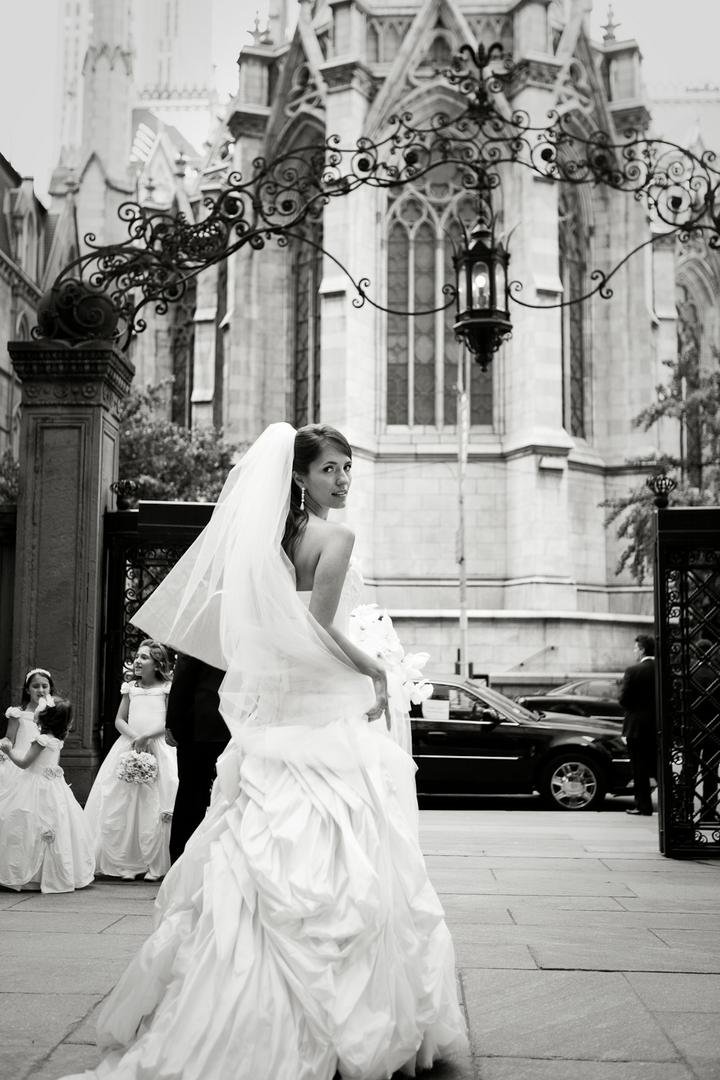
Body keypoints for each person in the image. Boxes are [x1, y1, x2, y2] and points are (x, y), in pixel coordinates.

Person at [59, 422, 466, 1080]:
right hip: (321, 715)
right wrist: (377, 671)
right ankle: (330, 1024)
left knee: (264, 850)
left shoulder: (270, 546)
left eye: (347, 468)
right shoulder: (336, 537)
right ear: (301, 477)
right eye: (332, 468)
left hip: (283, 717)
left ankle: (240, 1016)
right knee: (339, 854)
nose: (343, 480)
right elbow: (319, 625)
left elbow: (265, 635)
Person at [84, 640, 178, 880]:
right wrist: (136, 738)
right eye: (137, 656)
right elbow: (119, 720)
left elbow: (169, 721)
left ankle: (154, 862)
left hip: (157, 747)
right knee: (125, 802)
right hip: (130, 746)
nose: (137, 661)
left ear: (157, 665)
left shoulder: (166, 689)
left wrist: (148, 737)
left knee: (154, 801)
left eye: (144, 657)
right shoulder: (130, 688)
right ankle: (127, 862)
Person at [0, 696, 95, 893]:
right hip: (54, 787)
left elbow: (24, 763)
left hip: (33, 784)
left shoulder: (41, 741)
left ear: (44, 719)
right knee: (56, 822)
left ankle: (29, 872)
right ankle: (51, 872)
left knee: (22, 820)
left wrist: (9, 751)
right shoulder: (57, 740)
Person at [165, 653, 228, 862]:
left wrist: (172, 724)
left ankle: (181, 858)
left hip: (197, 728)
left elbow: (181, 681)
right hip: (231, 724)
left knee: (190, 794)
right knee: (227, 794)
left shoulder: (198, 635)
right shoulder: (243, 634)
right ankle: (220, 856)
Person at [1, 667, 56, 796]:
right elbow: (9, 738)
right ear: (27, 690)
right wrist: (4, 747)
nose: (40, 690)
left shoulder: (54, 715)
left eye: (44, 686)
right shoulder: (18, 713)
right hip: (19, 762)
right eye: (35, 686)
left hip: (41, 765)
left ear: (50, 689)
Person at [620, 632, 657, 816]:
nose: (634, 651)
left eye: (636, 648)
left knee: (640, 769)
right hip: (658, 727)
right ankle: (672, 806)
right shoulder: (663, 670)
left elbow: (624, 700)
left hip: (637, 728)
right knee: (659, 769)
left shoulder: (633, 671)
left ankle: (644, 806)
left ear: (642, 650)